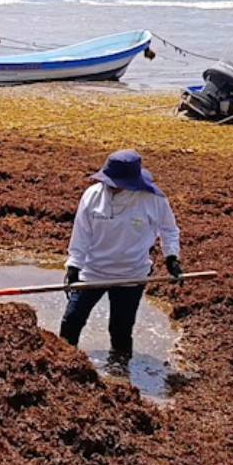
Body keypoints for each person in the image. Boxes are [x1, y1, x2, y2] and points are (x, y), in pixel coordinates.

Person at [60, 149, 184, 363]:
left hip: (132, 275)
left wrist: (172, 257)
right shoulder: (92, 196)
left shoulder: (153, 199)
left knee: (120, 329)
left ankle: (121, 372)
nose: (111, 186)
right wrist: (74, 266)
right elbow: (81, 233)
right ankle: (64, 365)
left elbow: (169, 230)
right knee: (71, 320)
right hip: (93, 271)